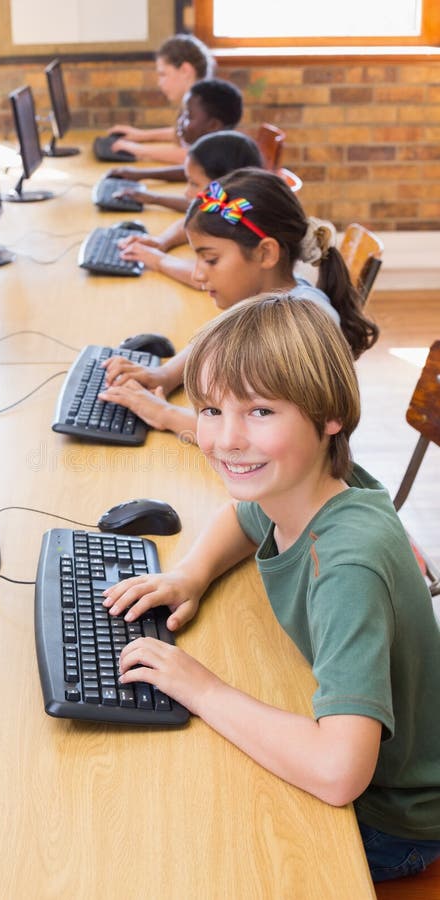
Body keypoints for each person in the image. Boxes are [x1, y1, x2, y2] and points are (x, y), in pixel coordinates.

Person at [103, 295, 440, 885]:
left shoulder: (347, 565)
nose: (227, 438)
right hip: (369, 774)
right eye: (209, 409)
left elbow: (338, 772)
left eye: (259, 411)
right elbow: (243, 518)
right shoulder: (315, 484)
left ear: (330, 414)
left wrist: (200, 688)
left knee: (178, 837)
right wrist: (190, 574)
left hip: (393, 822)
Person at [99, 168, 379, 441]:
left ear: (266, 253)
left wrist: (164, 414)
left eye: (210, 260)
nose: (197, 274)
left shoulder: (295, 329)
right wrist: (164, 375)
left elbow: (253, 437)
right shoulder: (270, 295)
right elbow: (213, 340)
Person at [116, 131, 263, 290]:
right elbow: (190, 221)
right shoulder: (230, 207)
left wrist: (158, 260)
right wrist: (162, 241)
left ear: (223, 185)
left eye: (194, 183)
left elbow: (209, 277)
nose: (187, 193)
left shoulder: (242, 222)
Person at [107, 78, 244, 186]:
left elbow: (208, 207)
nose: (180, 122)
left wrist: (150, 198)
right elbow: (190, 172)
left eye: (188, 116)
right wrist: (141, 175)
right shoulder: (217, 148)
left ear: (213, 125)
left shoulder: (227, 160)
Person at [108, 33, 215, 164]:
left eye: (163, 74)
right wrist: (142, 135)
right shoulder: (195, 101)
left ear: (185, 71)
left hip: (216, 185)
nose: (159, 83)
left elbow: (193, 157)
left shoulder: (205, 108)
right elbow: (181, 135)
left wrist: (138, 149)